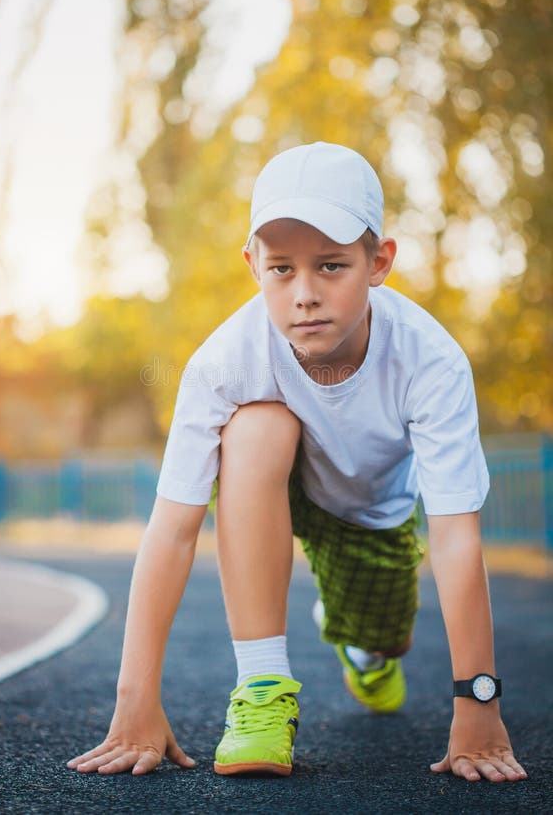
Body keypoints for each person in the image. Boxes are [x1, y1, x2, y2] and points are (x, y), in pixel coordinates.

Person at [67, 141, 527, 783]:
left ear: (380, 262)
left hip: (369, 514)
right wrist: (135, 702)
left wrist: (477, 701)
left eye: (331, 265)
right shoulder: (223, 362)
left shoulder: (431, 360)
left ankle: (360, 647)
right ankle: (260, 689)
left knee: (383, 637)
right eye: (282, 269)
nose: (304, 294)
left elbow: (453, 535)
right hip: (274, 483)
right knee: (257, 424)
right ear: (252, 264)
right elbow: (173, 528)